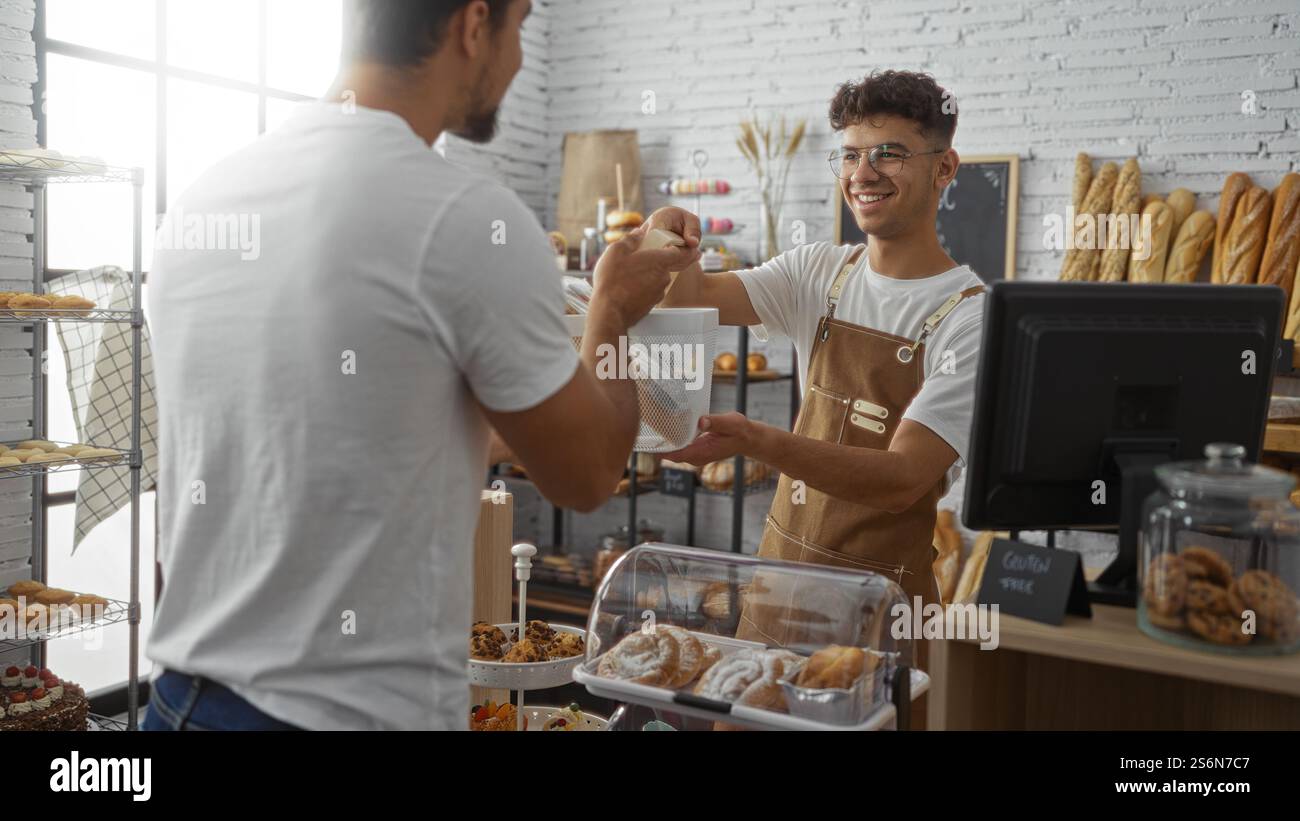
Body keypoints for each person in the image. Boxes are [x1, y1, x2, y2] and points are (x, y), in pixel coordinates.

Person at [144, 0, 698, 731]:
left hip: (179, 702)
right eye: (522, 23)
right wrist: (611, 312)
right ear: (474, 24)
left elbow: (338, 431)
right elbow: (588, 471)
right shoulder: (468, 220)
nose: (521, 59)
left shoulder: (204, 199)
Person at [652, 70, 984, 631]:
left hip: (881, 616)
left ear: (944, 168)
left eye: (889, 154)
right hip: (777, 588)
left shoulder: (970, 317)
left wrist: (756, 440)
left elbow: (902, 479)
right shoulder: (818, 273)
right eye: (850, 155)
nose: (863, 174)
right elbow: (689, 301)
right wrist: (667, 236)